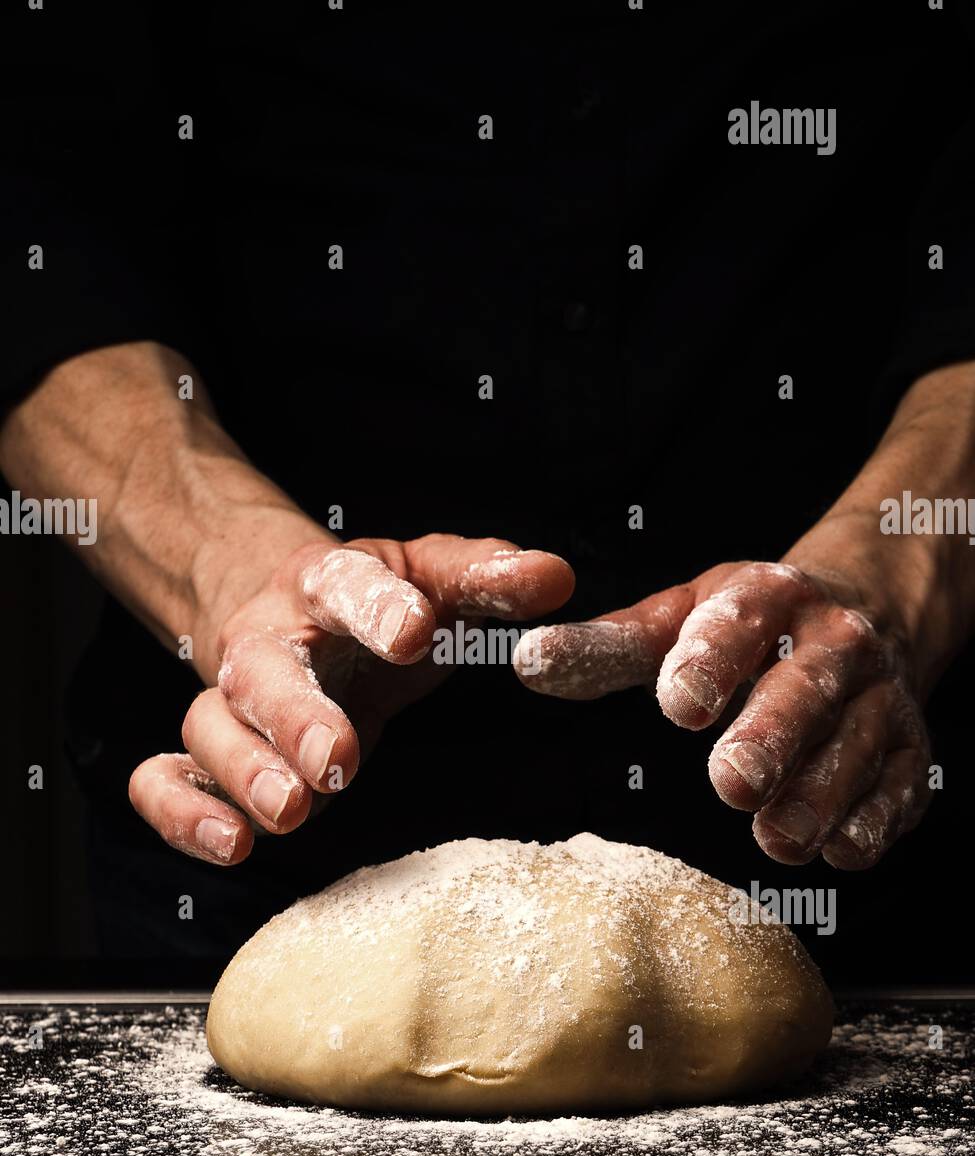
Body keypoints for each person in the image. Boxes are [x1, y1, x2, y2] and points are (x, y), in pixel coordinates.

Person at [2, 0, 974, 955]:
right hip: (269, 837)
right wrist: (227, 571)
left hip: (846, 830)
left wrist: (891, 575)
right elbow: (36, 203)